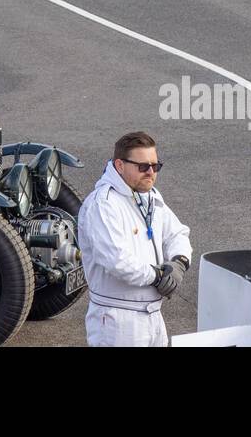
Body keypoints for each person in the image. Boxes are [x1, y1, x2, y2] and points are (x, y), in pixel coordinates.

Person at [77, 131, 192, 347]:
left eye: (155, 166)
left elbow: (177, 233)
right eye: (143, 167)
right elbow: (117, 261)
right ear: (120, 165)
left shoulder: (150, 196)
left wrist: (178, 263)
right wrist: (158, 275)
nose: (150, 172)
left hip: (153, 316)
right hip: (117, 322)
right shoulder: (103, 205)